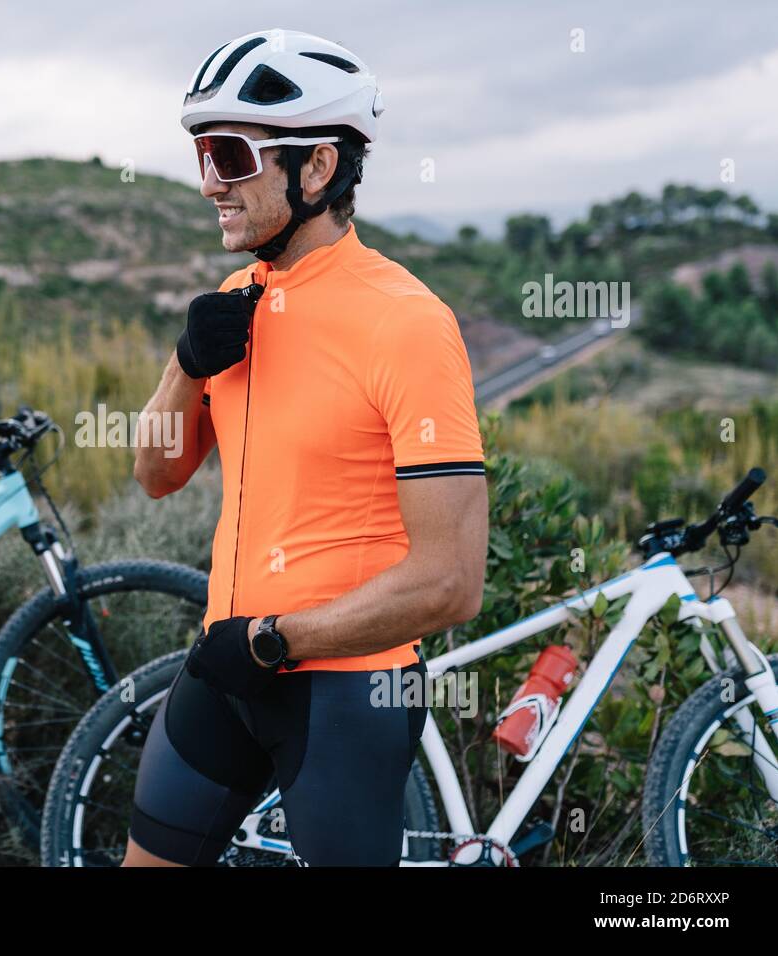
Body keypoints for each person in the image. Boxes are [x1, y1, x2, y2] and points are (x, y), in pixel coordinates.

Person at [128, 28, 489, 866]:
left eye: (230, 155)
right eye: (201, 155)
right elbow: (154, 475)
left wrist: (276, 640)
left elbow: (451, 580)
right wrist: (185, 368)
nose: (211, 182)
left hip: (346, 690)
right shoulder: (234, 298)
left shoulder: (406, 322)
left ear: (317, 167)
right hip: (225, 667)